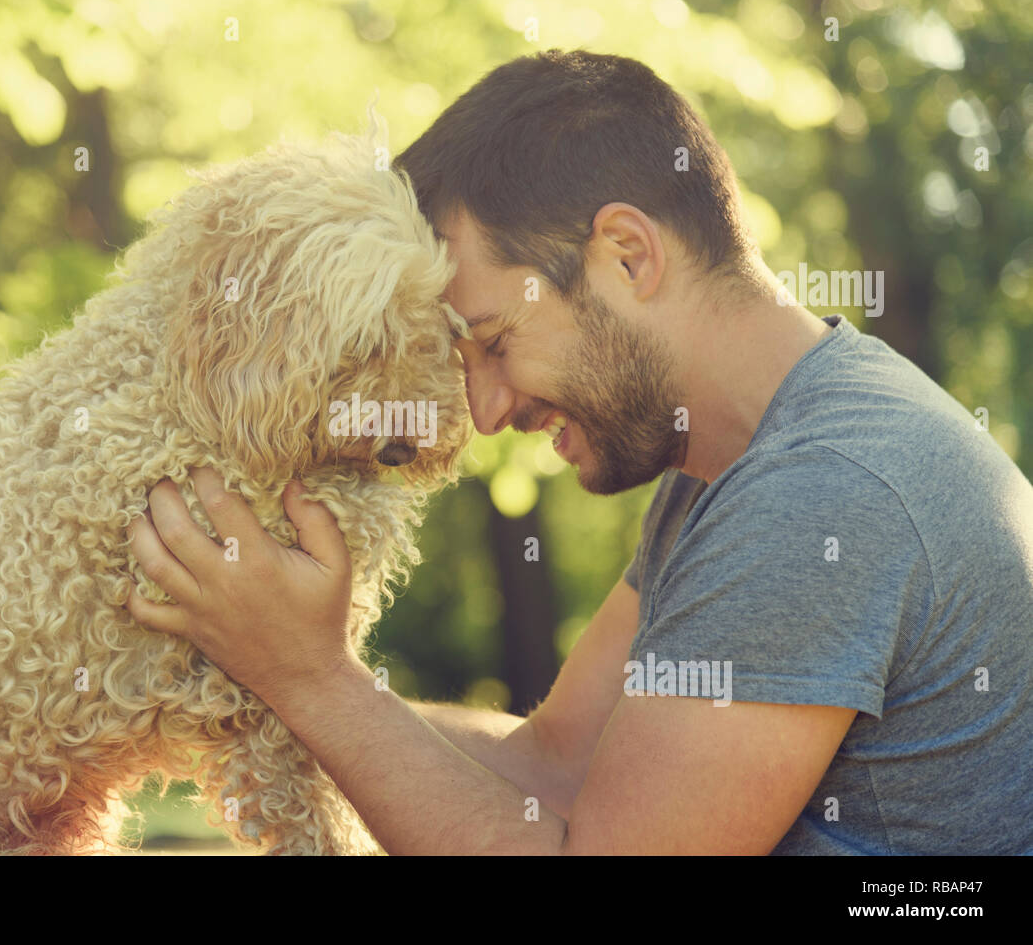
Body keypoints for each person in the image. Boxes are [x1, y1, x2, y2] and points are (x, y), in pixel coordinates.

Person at [125, 50, 1033, 854]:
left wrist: (312, 678)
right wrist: (246, 687)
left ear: (627, 255)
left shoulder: (821, 495)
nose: (482, 412)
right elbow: (553, 764)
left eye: (493, 338)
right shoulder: (729, 470)